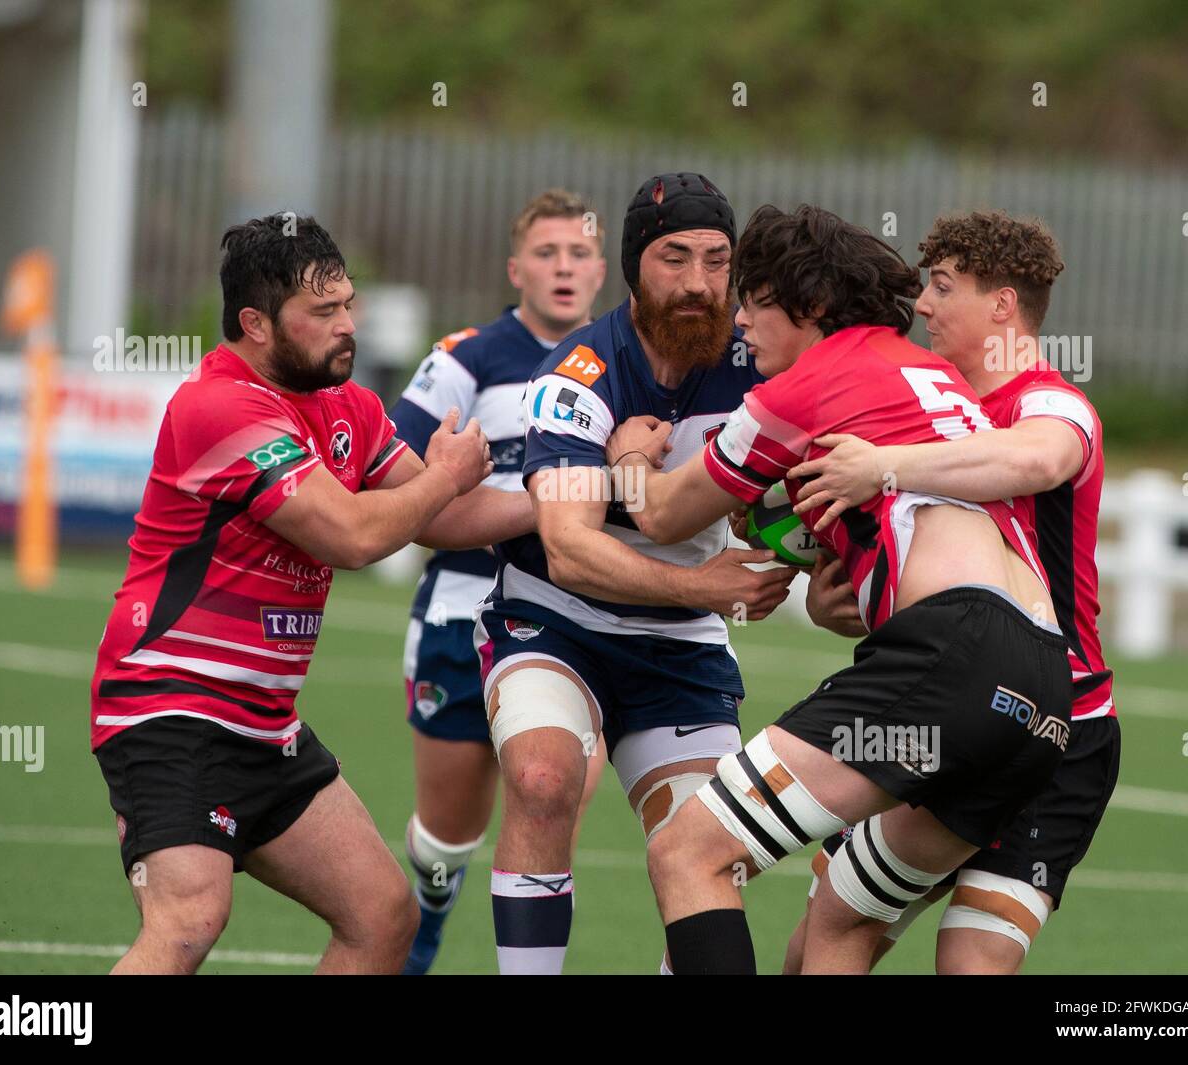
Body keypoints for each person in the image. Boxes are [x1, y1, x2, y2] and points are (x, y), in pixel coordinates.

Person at [607, 203, 1071, 974]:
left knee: (690, 853)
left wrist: (629, 454)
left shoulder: (804, 384)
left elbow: (661, 514)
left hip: (954, 659)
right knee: (842, 921)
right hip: (1040, 691)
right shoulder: (935, 375)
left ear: (812, 306)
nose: (736, 321)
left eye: (752, 300)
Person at [90, 213, 533, 974]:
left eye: (348, 305)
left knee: (382, 915)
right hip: (169, 708)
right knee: (190, 918)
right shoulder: (219, 408)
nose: (347, 327)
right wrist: (446, 473)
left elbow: (448, 515)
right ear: (255, 323)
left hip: (264, 726)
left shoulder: (348, 408)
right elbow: (355, 536)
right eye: (323, 313)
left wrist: (576, 505)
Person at [783, 210, 1119, 974]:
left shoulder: (1052, 405)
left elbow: (1035, 461)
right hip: (946, 710)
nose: (923, 305)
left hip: (1062, 727)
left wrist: (885, 466)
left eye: (942, 286)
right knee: (816, 948)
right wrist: (838, 597)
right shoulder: (932, 412)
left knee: (971, 964)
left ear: (1003, 305)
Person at [477, 172, 796, 974]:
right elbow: (570, 548)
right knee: (545, 776)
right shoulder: (576, 376)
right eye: (673, 258)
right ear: (633, 268)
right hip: (556, 620)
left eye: (717, 261)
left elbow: (792, 496)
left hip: (679, 645)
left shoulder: (760, 363)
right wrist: (709, 585)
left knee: (709, 848)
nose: (697, 283)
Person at [388, 189, 609, 974]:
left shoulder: (624, 362)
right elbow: (398, 480)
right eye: (546, 253)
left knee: (546, 811)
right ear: (517, 267)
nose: (563, 267)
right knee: (447, 840)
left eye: (579, 253)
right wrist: (546, 507)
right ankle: (423, 933)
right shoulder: (465, 358)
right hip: (458, 616)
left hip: (576, 629)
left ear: (602, 267)